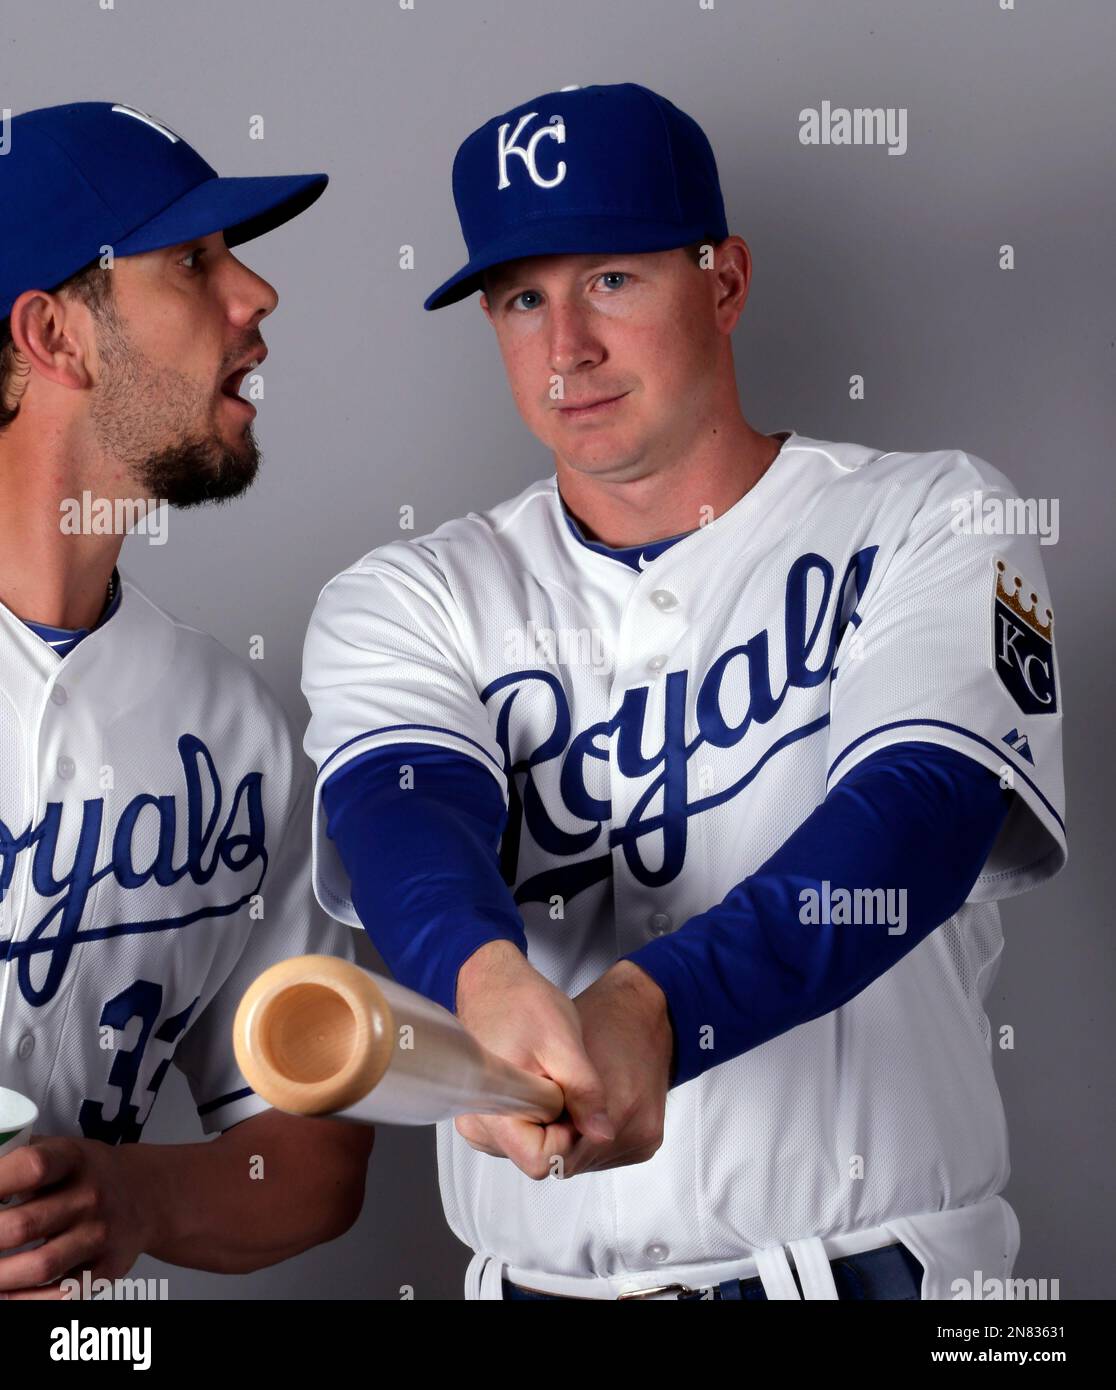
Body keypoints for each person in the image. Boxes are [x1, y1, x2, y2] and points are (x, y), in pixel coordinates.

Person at [301, 83, 1065, 1301]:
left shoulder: (934, 515)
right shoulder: (412, 593)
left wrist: (658, 1007)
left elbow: (920, 816)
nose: (569, 349)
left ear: (725, 281)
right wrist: (481, 983)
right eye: (522, 300)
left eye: (612, 279)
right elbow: (404, 816)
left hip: (875, 1273)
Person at [0, 102, 371, 1299]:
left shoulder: (237, 729)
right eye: (195, 264)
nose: (255, 295)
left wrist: (134, 1194)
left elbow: (315, 1147)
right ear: (53, 333)